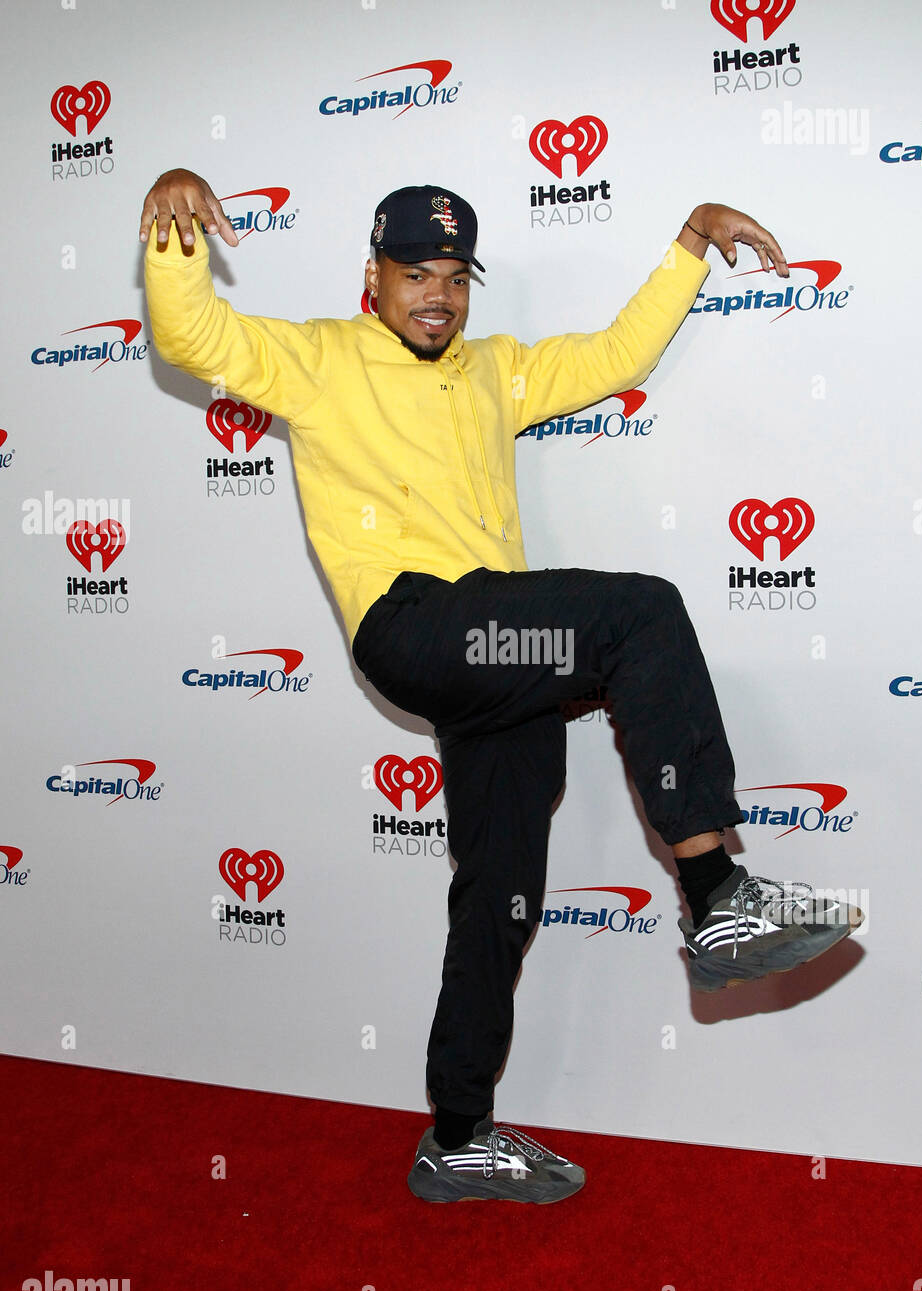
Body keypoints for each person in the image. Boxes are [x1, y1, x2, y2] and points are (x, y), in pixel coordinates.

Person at [140, 171, 863, 1205]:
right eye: (414, 273)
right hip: (416, 625)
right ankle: (715, 898)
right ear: (374, 279)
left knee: (501, 893)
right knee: (640, 613)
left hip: (499, 657)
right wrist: (173, 226)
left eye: (453, 277)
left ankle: (457, 1133)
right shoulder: (316, 358)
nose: (436, 295)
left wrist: (690, 240)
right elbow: (191, 335)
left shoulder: (493, 371)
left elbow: (615, 357)